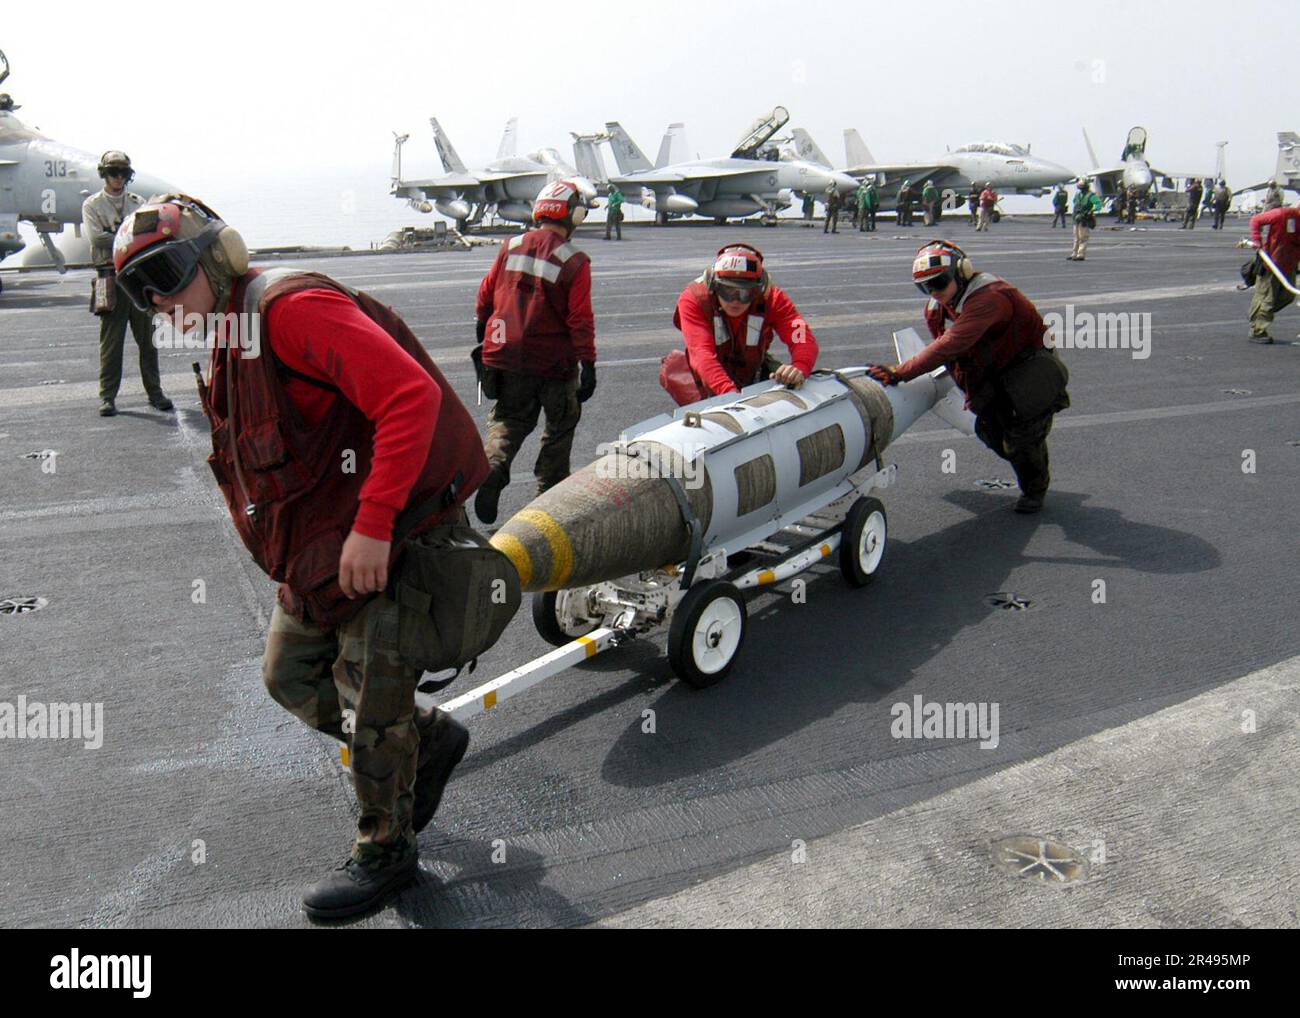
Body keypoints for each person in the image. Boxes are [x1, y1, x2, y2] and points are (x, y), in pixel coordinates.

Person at [111, 194, 488, 918]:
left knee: (370, 705)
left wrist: (375, 525)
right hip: (324, 545)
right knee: (289, 674)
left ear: (218, 259)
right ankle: (429, 740)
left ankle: (387, 853)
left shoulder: (290, 311)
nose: (157, 300)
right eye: (139, 288)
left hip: (395, 531)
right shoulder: (232, 330)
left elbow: (410, 398)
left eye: (165, 275)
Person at [866, 241, 1069, 514]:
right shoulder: (938, 306)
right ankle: (1030, 462)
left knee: (1021, 439)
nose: (934, 292)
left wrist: (901, 371)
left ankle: (1035, 489)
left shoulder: (990, 297)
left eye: (938, 282)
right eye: (925, 287)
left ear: (962, 271)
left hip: (1029, 372)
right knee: (990, 432)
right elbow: (948, 349)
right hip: (992, 372)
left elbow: (950, 345)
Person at [473, 179, 596, 524]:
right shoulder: (574, 260)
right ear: (572, 215)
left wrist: (483, 328)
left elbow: (486, 293)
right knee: (559, 427)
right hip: (554, 363)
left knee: (508, 422)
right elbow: (580, 318)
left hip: (505, 355)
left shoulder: (510, 246)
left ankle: (493, 468)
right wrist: (589, 363)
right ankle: (548, 504)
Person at [82, 151, 173, 417]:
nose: (118, 178)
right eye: (113, 172)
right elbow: (97, 239)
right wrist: (130, 235)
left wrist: (117, 234)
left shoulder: (138, 202)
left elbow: (149, 234)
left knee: (148, 341)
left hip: (137, 278)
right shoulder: (92, 204)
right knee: (111, 342)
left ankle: (155, 393)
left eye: (123, 173)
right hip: (108, 276)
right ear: (104, 174)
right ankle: (107, 397)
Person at [670, 244, 820, 400]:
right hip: (708, 371)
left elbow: (801, 336)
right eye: (728, 291)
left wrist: (800, 367)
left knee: (789, 383)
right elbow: (701, 353)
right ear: (714, 286)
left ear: (759, 290)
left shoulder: (773, 299)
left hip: (751, 366)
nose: (736, 301)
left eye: (746, 293)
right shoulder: (694, 299)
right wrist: (730, 395)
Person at [1246, 199, 1300, 343]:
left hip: (1290, 264)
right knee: (1267, 298)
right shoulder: (1282, 214)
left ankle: (1259, 315)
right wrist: (1257, 240)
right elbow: (1256, 220)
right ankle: (1257, 329)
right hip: (1272, 264)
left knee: (1288, 296)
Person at [1067, 178, 1102, 261]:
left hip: (1084, 218)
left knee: (1083, 237)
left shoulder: (1091, 195)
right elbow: (1075, 203)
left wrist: (1091, 210)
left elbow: (1098, 204)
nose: (1081, 188)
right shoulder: (1078, 195)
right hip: (1076, 218)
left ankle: (1080, 254)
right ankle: (1074, 254)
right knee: (1076, 237)